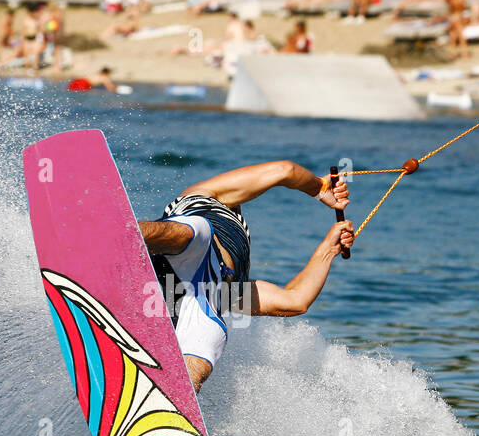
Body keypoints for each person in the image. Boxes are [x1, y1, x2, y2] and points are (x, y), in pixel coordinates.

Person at [137, 163, 354, 393]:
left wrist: (329, 249)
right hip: (190, 244)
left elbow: (296, 300)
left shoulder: (234, 293)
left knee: (205, 346)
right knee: (186, 232)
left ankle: (172, 403)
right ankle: (118, 234)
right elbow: (285, 171)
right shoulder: (208, 196)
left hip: (201, 298)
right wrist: (319, 187)